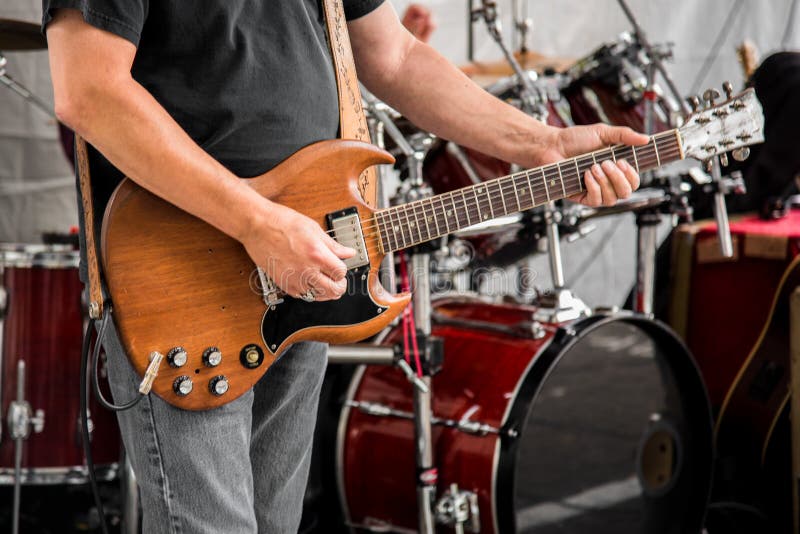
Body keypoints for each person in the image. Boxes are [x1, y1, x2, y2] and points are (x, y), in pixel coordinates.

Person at [43, 1, 648, 532]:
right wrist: (258, 223)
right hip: (182, 271)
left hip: (306, 271)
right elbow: (88, 90)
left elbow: (395, 56)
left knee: (274, 524)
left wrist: (543, 144)